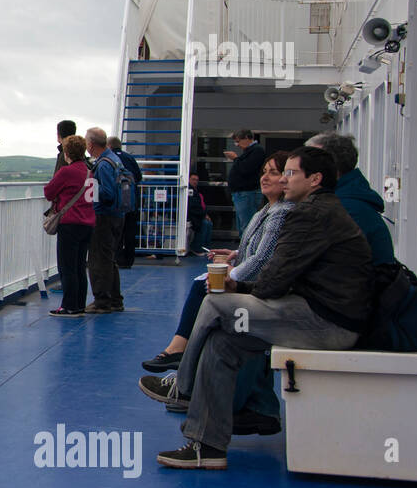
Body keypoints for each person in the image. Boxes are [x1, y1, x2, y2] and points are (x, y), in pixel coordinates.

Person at [140, 147, 374, 469]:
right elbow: (282, 277)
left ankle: (181, 386)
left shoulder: (309, 214)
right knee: (224, 342)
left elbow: (276, 278)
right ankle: (206, 446)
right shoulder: (319, 210)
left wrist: (239, 288)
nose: (284, 179)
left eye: (291, 173)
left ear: (315, 179)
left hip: (328, 323)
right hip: (319, 311)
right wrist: (244, 288)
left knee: (216, 303)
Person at [306, 132, 395, 265]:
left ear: (332, 166)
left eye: (311, 162)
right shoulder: (348, 201)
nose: (305, 169)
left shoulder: (345, 209)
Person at [43, 135, 95, 317]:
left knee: (67, 267)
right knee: (80, 265)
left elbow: (49, 192)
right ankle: (79, 304)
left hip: (70, 223)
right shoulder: (90, 171)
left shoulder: (67, 172)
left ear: (67, 152)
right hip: (88, 223)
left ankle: (69, 306)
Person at [83, 127, 128, 313]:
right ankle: (116, 300)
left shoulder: (103, 164)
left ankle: (102, 301)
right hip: (118, 214)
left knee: (98, 259)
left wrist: (89, 189)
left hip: (104, 216)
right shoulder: (116, 160)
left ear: (91, 144)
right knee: (110, 259)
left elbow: (107, 193)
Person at [108, 136, 143, 268]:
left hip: (117, 202)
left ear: (109, 146)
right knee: (130, 232)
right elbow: (138, 177)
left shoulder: (110, 159)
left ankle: (116, 259)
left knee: (117, 232)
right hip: (132, 201)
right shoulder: (130, 158)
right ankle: (129, 260)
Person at [224, 129, 266, 236]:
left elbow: (246, 169)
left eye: (238, 141)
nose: (237, 145)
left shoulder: (257, 150)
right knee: (243, 226)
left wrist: (235, 158)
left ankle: (247, 249)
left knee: (247, 226)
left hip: (247, 193)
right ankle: (244, 249)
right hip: (242, 193)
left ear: (247, 138)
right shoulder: (251, 151)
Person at [186, 173, 211, 255]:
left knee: (208, 223)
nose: (195, 181)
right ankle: (197, 247)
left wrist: (204, 214)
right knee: (204, 223)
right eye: (193, 179)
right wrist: (203, 215)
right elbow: (192, 207)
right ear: (188, 179)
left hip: (197, 214)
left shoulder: (196, 191)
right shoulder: (189, 191)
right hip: (192, 215)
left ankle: (205, 246)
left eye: (196, 180)